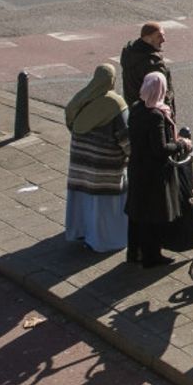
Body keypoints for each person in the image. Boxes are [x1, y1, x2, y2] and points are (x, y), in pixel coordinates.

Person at [126, 72, 190, 266]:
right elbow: (160, 149)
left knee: (137, 214)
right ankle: (151, 256)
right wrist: (181, 145)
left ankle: (134, 252)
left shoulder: (137, 108)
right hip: (153, 173)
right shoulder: (155, 115)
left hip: (136, 167)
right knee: (153, 215)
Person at [64, 62, 130, 252]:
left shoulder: (82, 98)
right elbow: (126, 139)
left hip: (80, 162)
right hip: (106, 165)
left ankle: (81, 231)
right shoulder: (116, 104)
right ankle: (106, 240)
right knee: (106, 207)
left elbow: (70, 120)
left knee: (84, 200)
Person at [121, 23, 175, 116]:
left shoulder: (129, 53)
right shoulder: (153, 64)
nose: (163, 40)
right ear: (147, 38)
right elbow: (162, 93)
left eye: (163, 35)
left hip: (133, 107)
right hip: (152, 113)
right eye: (159, 36)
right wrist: (169, 115)